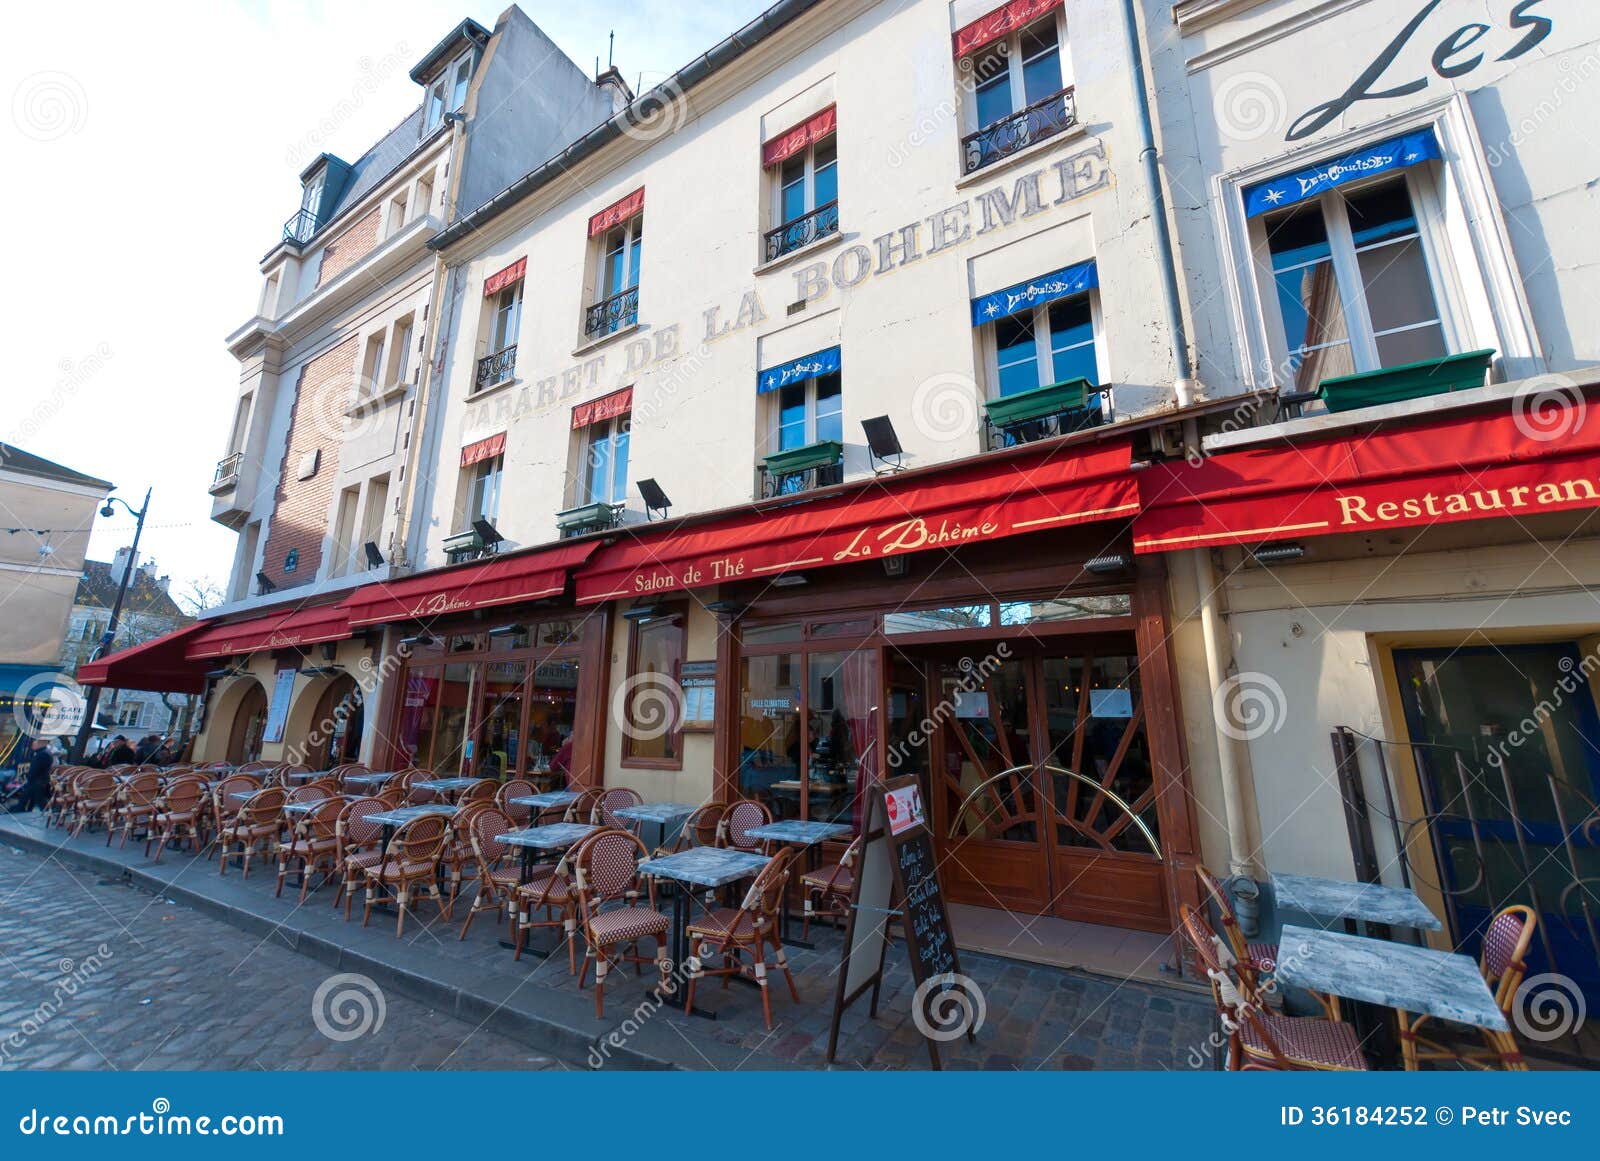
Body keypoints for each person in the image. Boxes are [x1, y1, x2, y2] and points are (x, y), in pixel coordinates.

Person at [19, 737, 54, 813]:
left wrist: (28, 775)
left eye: (35, 743)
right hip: (39, 780)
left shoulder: (42, 754)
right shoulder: (45, 753)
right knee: (32, 798)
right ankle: (23, 809)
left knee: (38, 798)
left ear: (40, 744)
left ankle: (46, 811)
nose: (33, 745)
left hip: (37, 781)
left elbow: (36, 769)